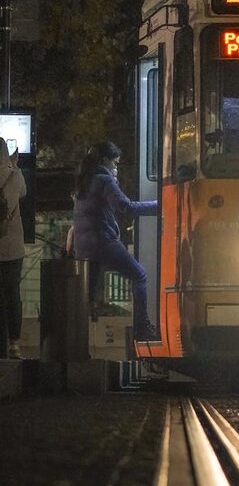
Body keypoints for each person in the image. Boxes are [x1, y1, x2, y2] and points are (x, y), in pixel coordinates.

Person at [73, 141, 158, 340]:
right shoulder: (104, 180)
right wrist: (159, 204)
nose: (116, 168)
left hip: (83, 246)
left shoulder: (84, 179)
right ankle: (143, 328)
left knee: (86, 296)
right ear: (105, 160)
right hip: (103, 241)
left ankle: (76, 341)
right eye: (115, 163)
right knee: (139, 275)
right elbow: (126, 207)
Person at [0, 139, 27, 359]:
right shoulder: (15, 175)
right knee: (12, 294)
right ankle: (14, 344)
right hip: (12, 247)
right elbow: (24, 193)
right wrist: (14, 165)